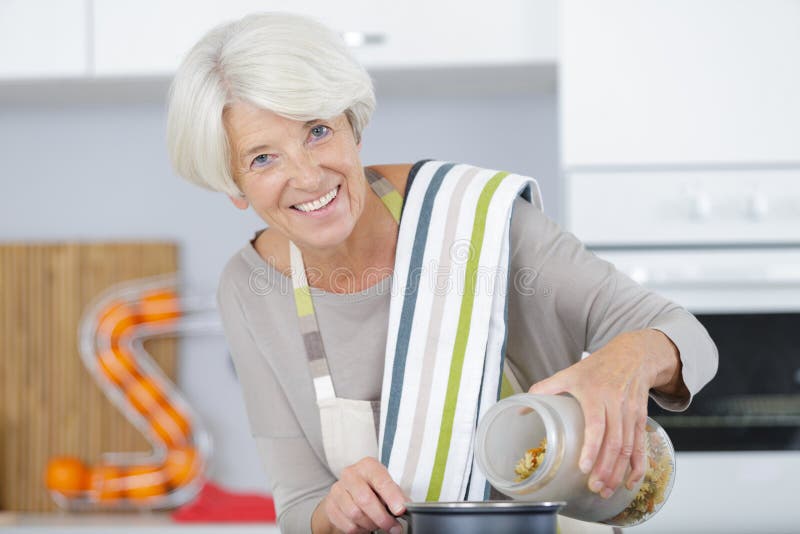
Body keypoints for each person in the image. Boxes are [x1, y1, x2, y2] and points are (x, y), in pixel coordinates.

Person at [166, 12, 718, 534]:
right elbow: (298, 504)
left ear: (353, 125)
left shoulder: (477, 218)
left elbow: (689, 337)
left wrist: (627, 359)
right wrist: (335, 509)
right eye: (263, 158)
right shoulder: (248, 289)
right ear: (234, 186)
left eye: (317, 131)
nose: (308, 177)